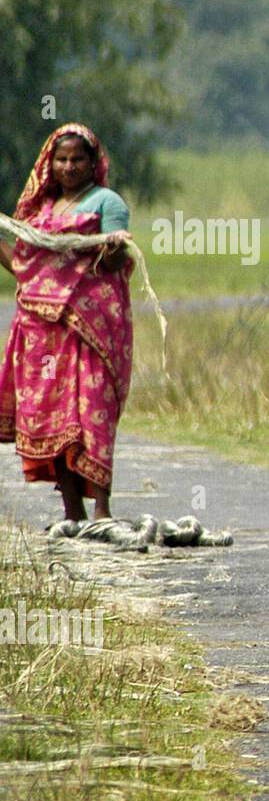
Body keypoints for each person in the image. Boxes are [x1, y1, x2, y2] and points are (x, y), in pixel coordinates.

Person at [0, 123, 133, 522]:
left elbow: (113, 263)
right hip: (42, 331)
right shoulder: (38, 212)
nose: (69, 166)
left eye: (78, 159)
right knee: (52, 415)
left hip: (88, 328)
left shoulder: (108, 204)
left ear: (94, 164)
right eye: (62, 159)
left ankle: (102, 510)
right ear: (50, 164)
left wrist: (111, 248)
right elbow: (26, 269)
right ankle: (71, 510)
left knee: (92, 414)